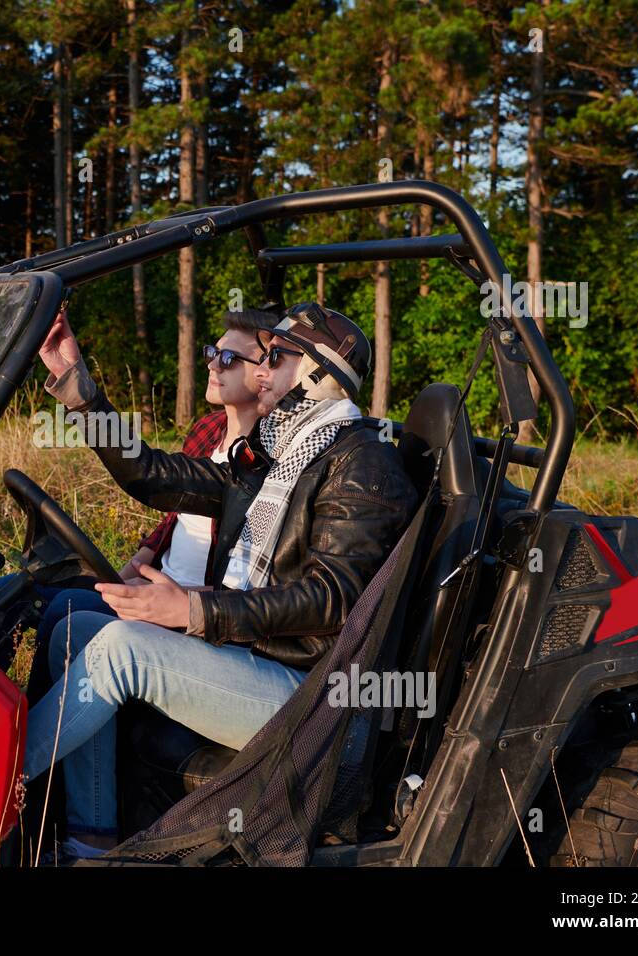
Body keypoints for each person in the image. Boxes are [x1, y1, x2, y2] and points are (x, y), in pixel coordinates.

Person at [23, 302, 419, 860]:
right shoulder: (278, 456)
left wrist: (196, 611)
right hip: (260, 660)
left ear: (319, 374)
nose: (260, 370)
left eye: (276, 357)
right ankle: (91, 837)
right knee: (77, 630)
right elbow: (155, 476)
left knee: (118, 647)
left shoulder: (362, 464)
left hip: (313, 699)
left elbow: (334, 601)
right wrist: (82, 393)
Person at [24, 310, 273, 702]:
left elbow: (257, 583)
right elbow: (176, 509)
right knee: (32, 588)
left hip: (198, 615)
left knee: (66, 612)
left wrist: (180, 598)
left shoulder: (269, 461)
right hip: (154, 589)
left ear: (268, 373)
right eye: (212, 352)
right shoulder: (207, 431)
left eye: (228, 359)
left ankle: (29, 751)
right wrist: (130, 570)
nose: (211, 364)